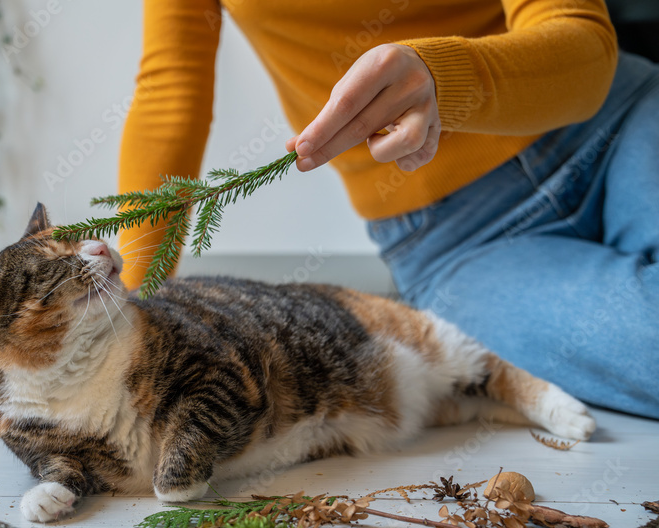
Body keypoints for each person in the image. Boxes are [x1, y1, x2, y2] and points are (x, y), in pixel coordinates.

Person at [116, 0, 659, 420]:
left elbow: (582, 38)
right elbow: (171, 97)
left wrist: (447, 78)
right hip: (459, 242)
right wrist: (131, 319)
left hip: (618, 122)